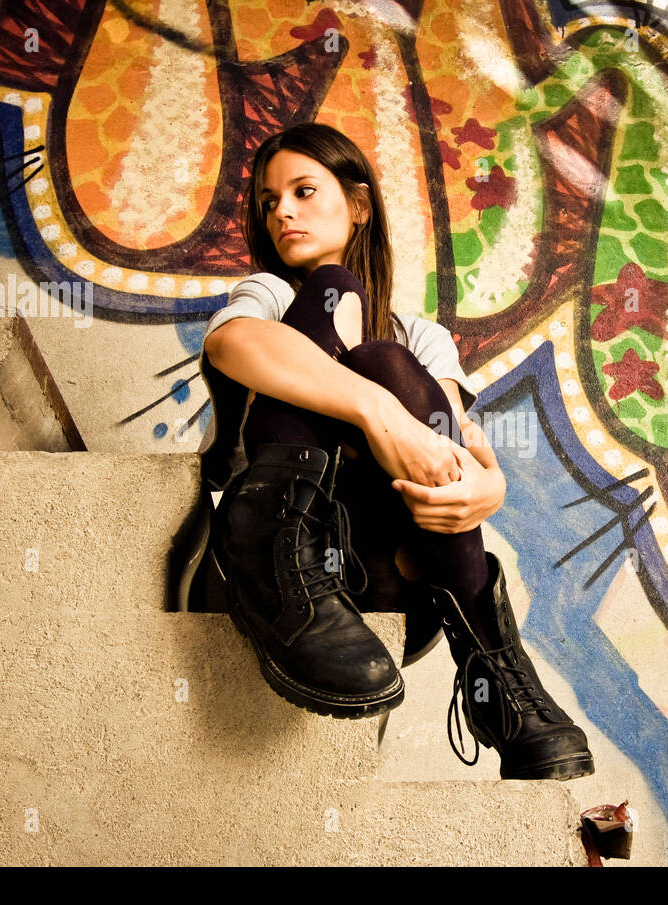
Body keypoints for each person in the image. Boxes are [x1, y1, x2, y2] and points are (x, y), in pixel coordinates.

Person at [199, 122, 593, 781]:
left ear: (358, 206)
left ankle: (492, 662)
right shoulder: (268, 297)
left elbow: (451, 445)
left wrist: (487, 489)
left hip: (396, 577)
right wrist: (374, 408)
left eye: (302, 191)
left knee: (388, 356)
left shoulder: (423, 337)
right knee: (335, 292)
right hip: (276, 566)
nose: (283, 212)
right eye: (270, 202)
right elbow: (230, 346)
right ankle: (498, 673)